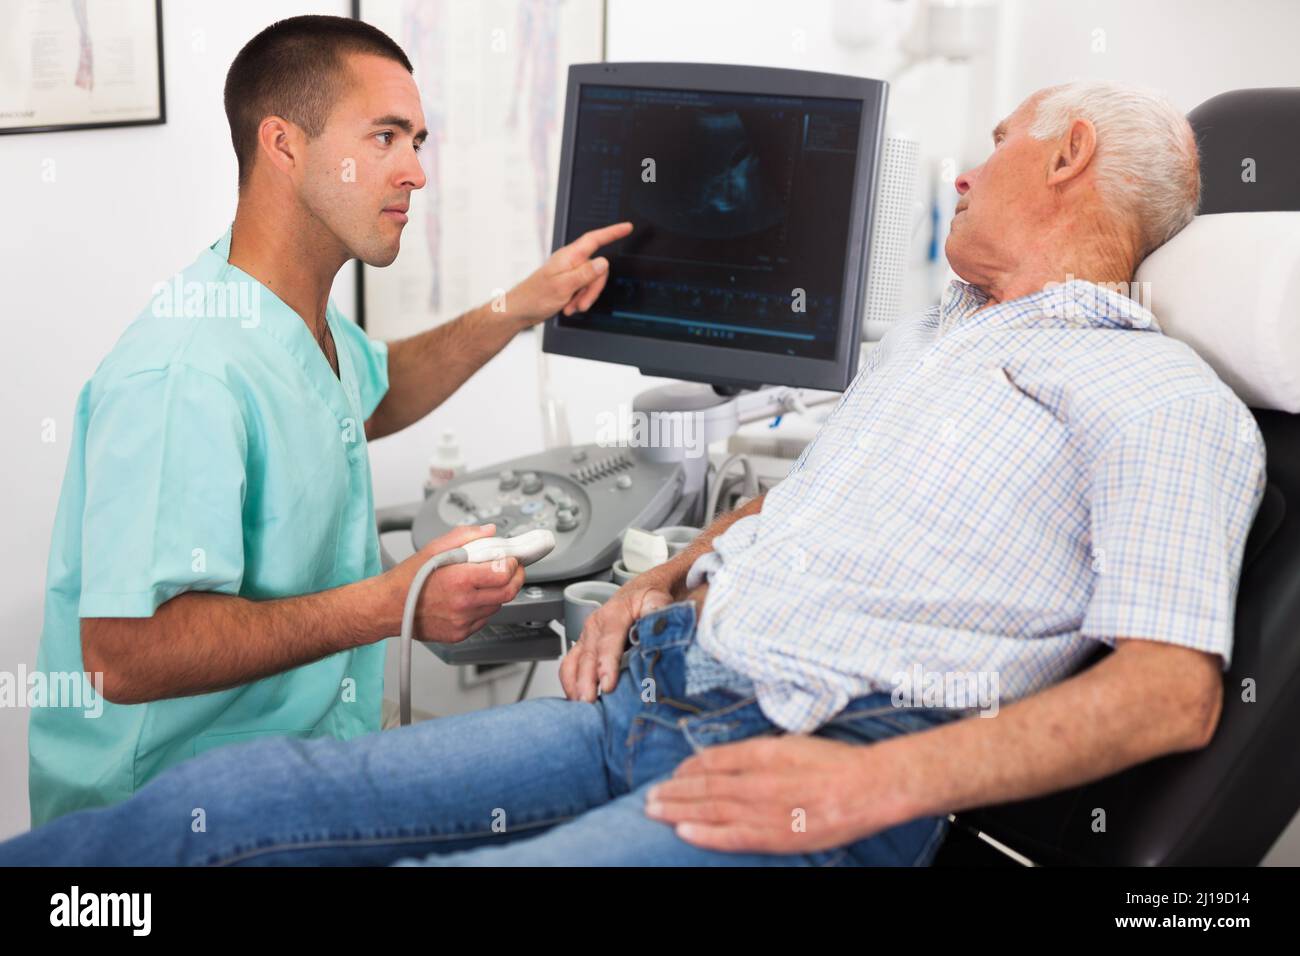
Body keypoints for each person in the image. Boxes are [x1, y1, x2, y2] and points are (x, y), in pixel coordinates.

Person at [6, 79, 1266, 866]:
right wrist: (661, 573)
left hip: (813, 751)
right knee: (237, 802)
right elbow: (802, 503)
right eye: (388, 135)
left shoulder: (1153, 396)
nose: (965, 169)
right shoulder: (939, 345)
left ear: (1067, 158)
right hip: (651, 691)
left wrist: (877, 778)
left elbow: (1170, 693)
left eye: (996, 143)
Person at [27, 14, 630, 825]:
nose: (416, 172)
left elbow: (372, 392)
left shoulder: (288, 318)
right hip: (171, 817)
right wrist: (395, 604)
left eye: (418, 140)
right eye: (385, 137)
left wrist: (520, 304)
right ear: (283, 146)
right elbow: (125, 654)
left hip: (307, 766)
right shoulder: (182, 373)